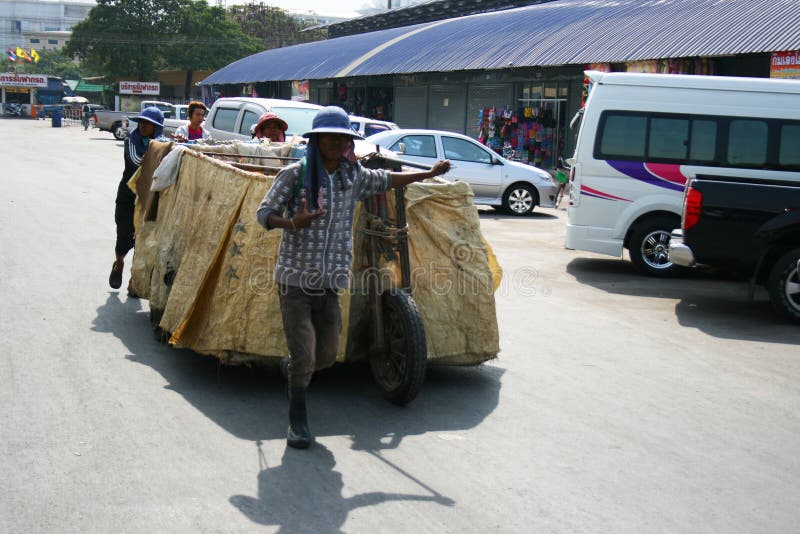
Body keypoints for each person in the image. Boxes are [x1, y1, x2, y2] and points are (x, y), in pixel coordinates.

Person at [256, 106, 451, 449]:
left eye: (342, 137)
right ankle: (297, 422)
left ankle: (293, 368)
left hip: (331, 281)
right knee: (306, 355)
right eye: (329, 137)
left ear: (348, 142)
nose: (335, 142)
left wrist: (427, 174)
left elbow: (387, 180)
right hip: (295, 280)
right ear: (316, 141)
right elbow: (264, 213)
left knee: (328, 355)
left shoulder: (353, 176)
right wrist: (291, 223)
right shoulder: (295, 175)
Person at [109, 106, 164, 291]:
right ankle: (119, 263)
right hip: (128, 195)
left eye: (148, 124)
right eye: (141, 122)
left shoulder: (161, 144)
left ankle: (135, 282)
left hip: (148, 198)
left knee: (144, 239)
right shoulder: (131, 141)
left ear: (156, 127)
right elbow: (137, 161)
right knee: (124, 232)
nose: (143, 126)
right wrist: (158, 153)